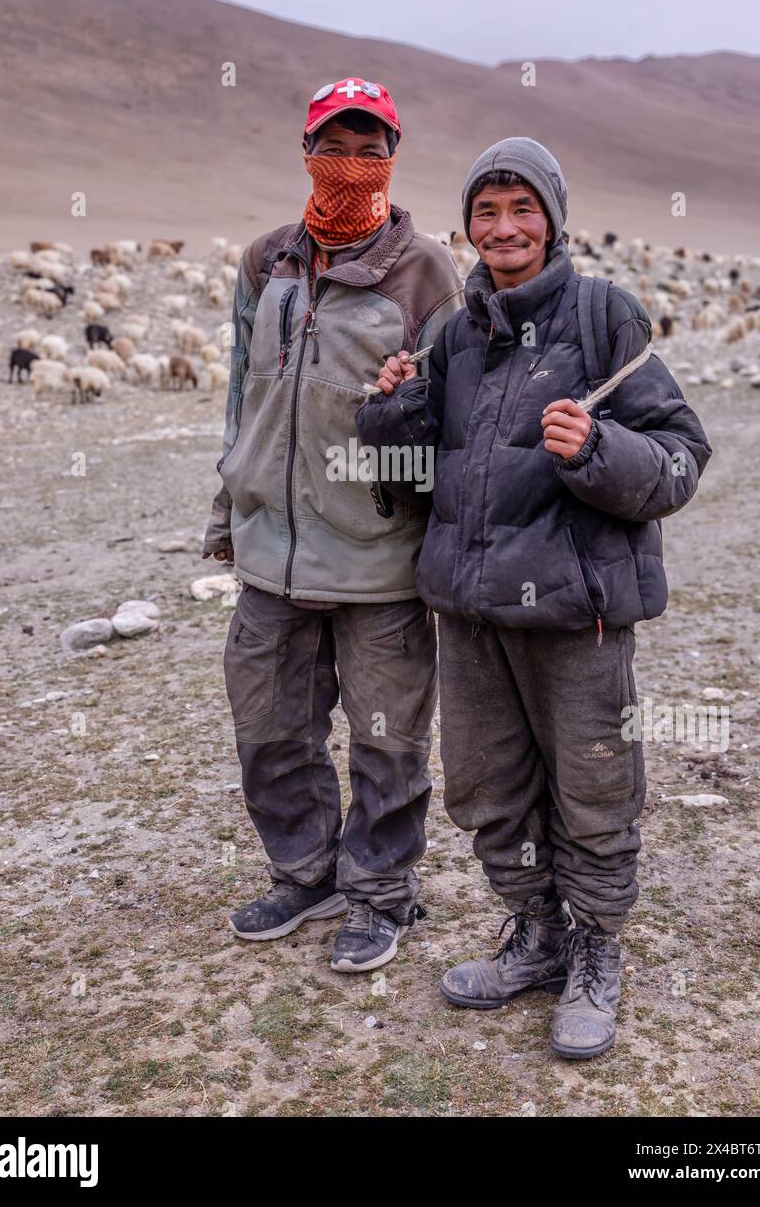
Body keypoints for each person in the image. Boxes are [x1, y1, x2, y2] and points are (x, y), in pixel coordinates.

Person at [356, 136, 711, 1054]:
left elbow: (681, 459)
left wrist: (597, 450)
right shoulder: (454, 333)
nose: (504, 228)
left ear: (552, 218)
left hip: (574, 614)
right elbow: (407, 472)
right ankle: (538, 936)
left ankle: (596, 949)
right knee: (489, 788)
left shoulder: (604, 318)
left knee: (593, 788)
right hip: (471, 612)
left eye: (523, 210)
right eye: (487, 211)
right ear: (468, 225)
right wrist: (390, 409)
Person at [202, 78, 463, 973]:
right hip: (270, 550)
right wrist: (225, 505)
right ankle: (305, 871)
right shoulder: (266, 261)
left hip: (379, 558)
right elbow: (244, 393)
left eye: (370, 147)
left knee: (388, 737)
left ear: (393, 156)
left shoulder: (427, 272)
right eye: (334, 144)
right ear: (306, 149)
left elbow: (451, 417)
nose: (352, 163)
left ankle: (381, 894)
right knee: (270, 728)